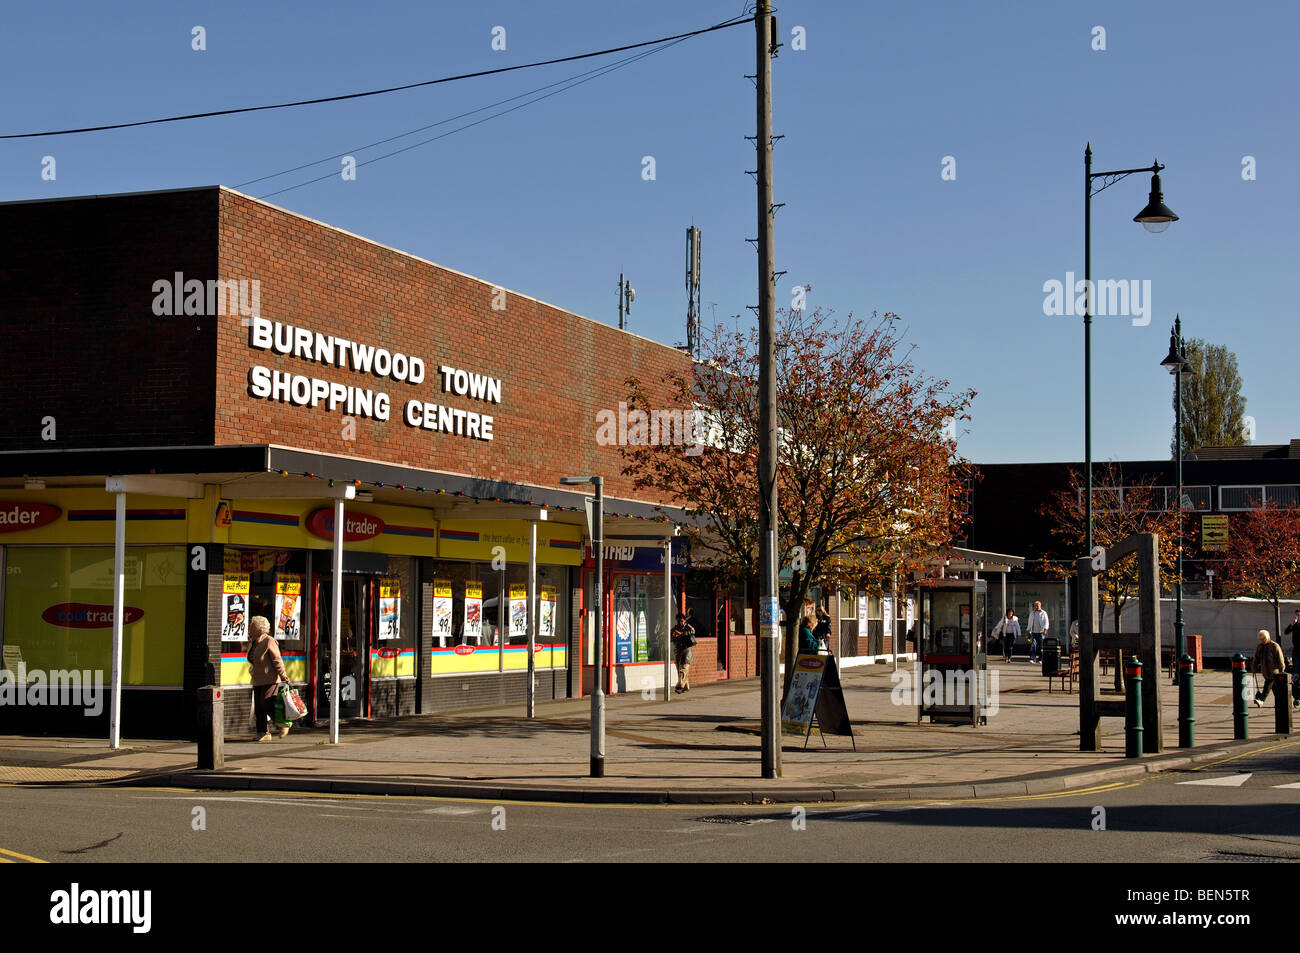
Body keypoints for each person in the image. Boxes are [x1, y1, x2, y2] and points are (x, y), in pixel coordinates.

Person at [246, 615, 290, 741]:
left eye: (252, 626)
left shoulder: (269, 641)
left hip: (270, 678)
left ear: (259, 629)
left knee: (266, 702)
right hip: (257, 679)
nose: (249, 628)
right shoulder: (252, 642)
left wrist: (283, 675)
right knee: (258, 707)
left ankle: (283, 723)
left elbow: (277, 660)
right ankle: (263, 733)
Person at [1250, 629, 1287, 707]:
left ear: (1267, 637)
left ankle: (1262, 699)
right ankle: (1280, 702)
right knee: (1274, 688)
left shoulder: (1274, 646)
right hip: (1265, 671)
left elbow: (1280, 659)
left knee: (1267, 685)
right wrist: (1253, 667)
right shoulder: (1260, 647)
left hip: (1274, 672)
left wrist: (1282, 670)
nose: (1262, 641)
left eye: (1263, 639)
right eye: (1260, 639)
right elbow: (1256, 658)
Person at [671, 612, 696, 693]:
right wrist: (674, 636)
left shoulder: (688, 627)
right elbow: (671, 639)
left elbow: (693, 631)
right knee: (679, 670)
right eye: (678, 621)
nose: (680, 623)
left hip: (687, 651)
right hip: (678, 651)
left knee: (684, 669)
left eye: (682, 621)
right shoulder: (674, 629)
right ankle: (686, 687)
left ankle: (680, 686)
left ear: (685, 620)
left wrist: (682, 633)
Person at [1286, 609, 1300, 707]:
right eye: (1296, 616)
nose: (1297, 617)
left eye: (1299, 615)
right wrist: (1292, 625)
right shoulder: (1294, 625)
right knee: (1296, 675)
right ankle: (1297, 698)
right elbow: (1286, 632)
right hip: (1297, 651)